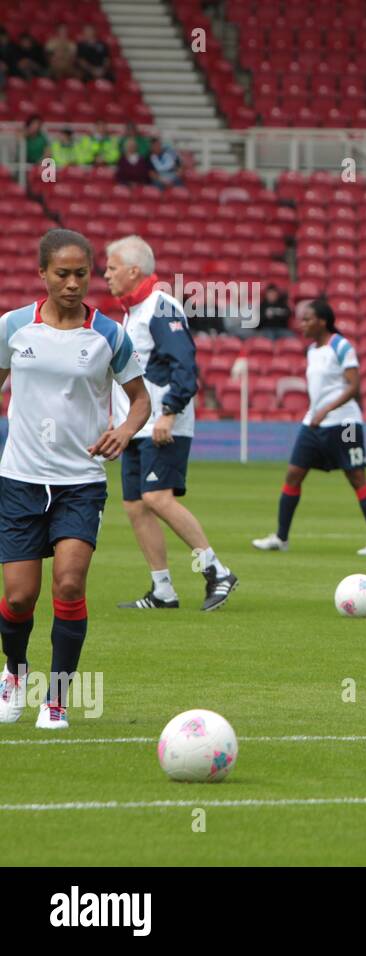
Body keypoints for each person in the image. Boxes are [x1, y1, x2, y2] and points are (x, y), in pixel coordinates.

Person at [0, 229, 150, 729]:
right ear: (42, 273)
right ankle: (15, 676)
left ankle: (57, 698)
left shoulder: (109, 335)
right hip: (19, 478)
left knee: (68, 584)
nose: (71, 283)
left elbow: (141, 397)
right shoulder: (13, 327)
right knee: (20, 597)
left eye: (81, 274)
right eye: (61, 274)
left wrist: (126, 430)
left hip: (81, 481)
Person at [105, 236, 238, 611]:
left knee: (156, 497)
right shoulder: (133, 312)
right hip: (136, 428)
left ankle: (217, 571)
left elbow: (185, 364)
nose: (106, 274)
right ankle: (162, 590)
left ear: (134, 271)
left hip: (163, 424)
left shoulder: (161, 307)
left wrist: (170, 411)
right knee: (135, 506)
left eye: (112, 268)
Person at [252, 300, 366, 555]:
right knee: (294, 473)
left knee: (357, 477)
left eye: (307, 319)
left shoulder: (341, 346)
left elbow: (353, 386)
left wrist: (327, 408)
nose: (302, 324)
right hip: (313, 423)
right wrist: (319, 411)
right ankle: (281, 538)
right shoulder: (312, 351)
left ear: (322, 322)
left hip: (345, 423)